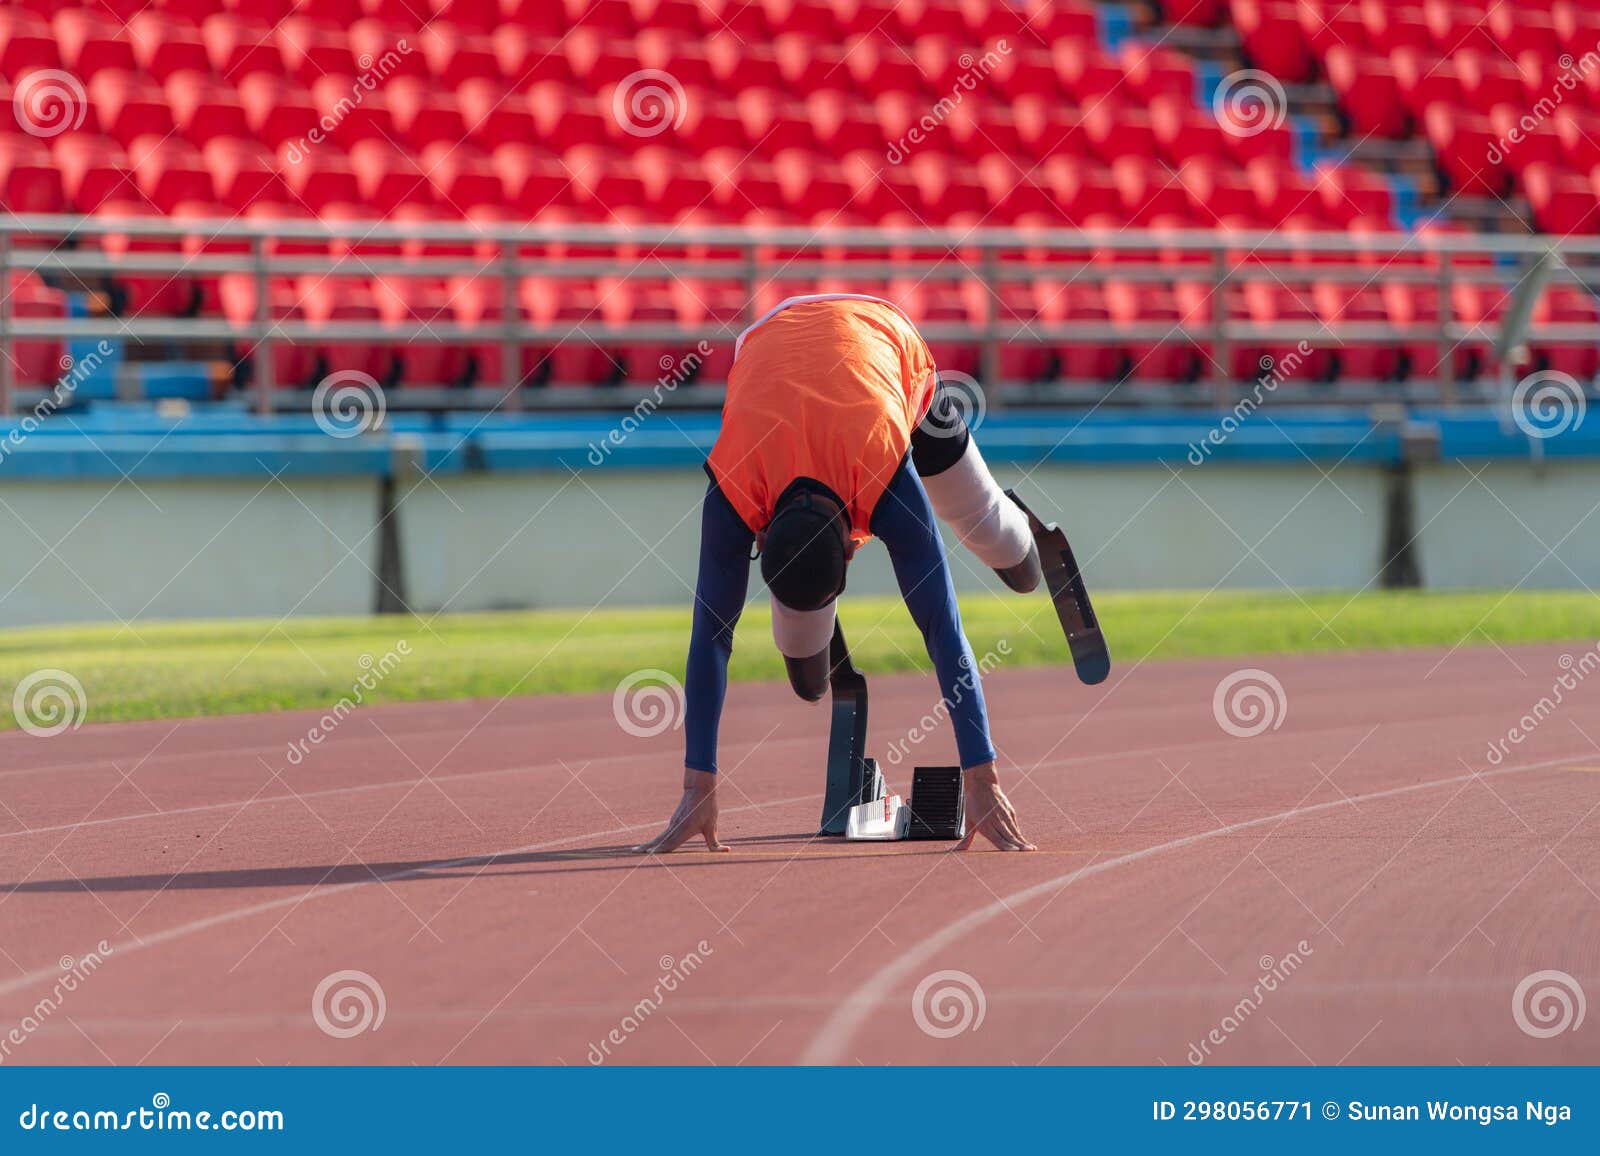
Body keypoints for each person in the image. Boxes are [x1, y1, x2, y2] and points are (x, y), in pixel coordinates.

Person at [634, 294, 1039, 854]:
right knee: (807, 675)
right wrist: (695, 786)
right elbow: (710, 637)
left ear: (852, 546)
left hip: (887, 348)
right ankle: (811, 662)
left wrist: (983, 779)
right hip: (774, 342)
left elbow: (942, 628)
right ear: (760, 530)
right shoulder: (735, 489)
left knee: (990, 531)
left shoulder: (885, 479)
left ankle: (1028, 546)